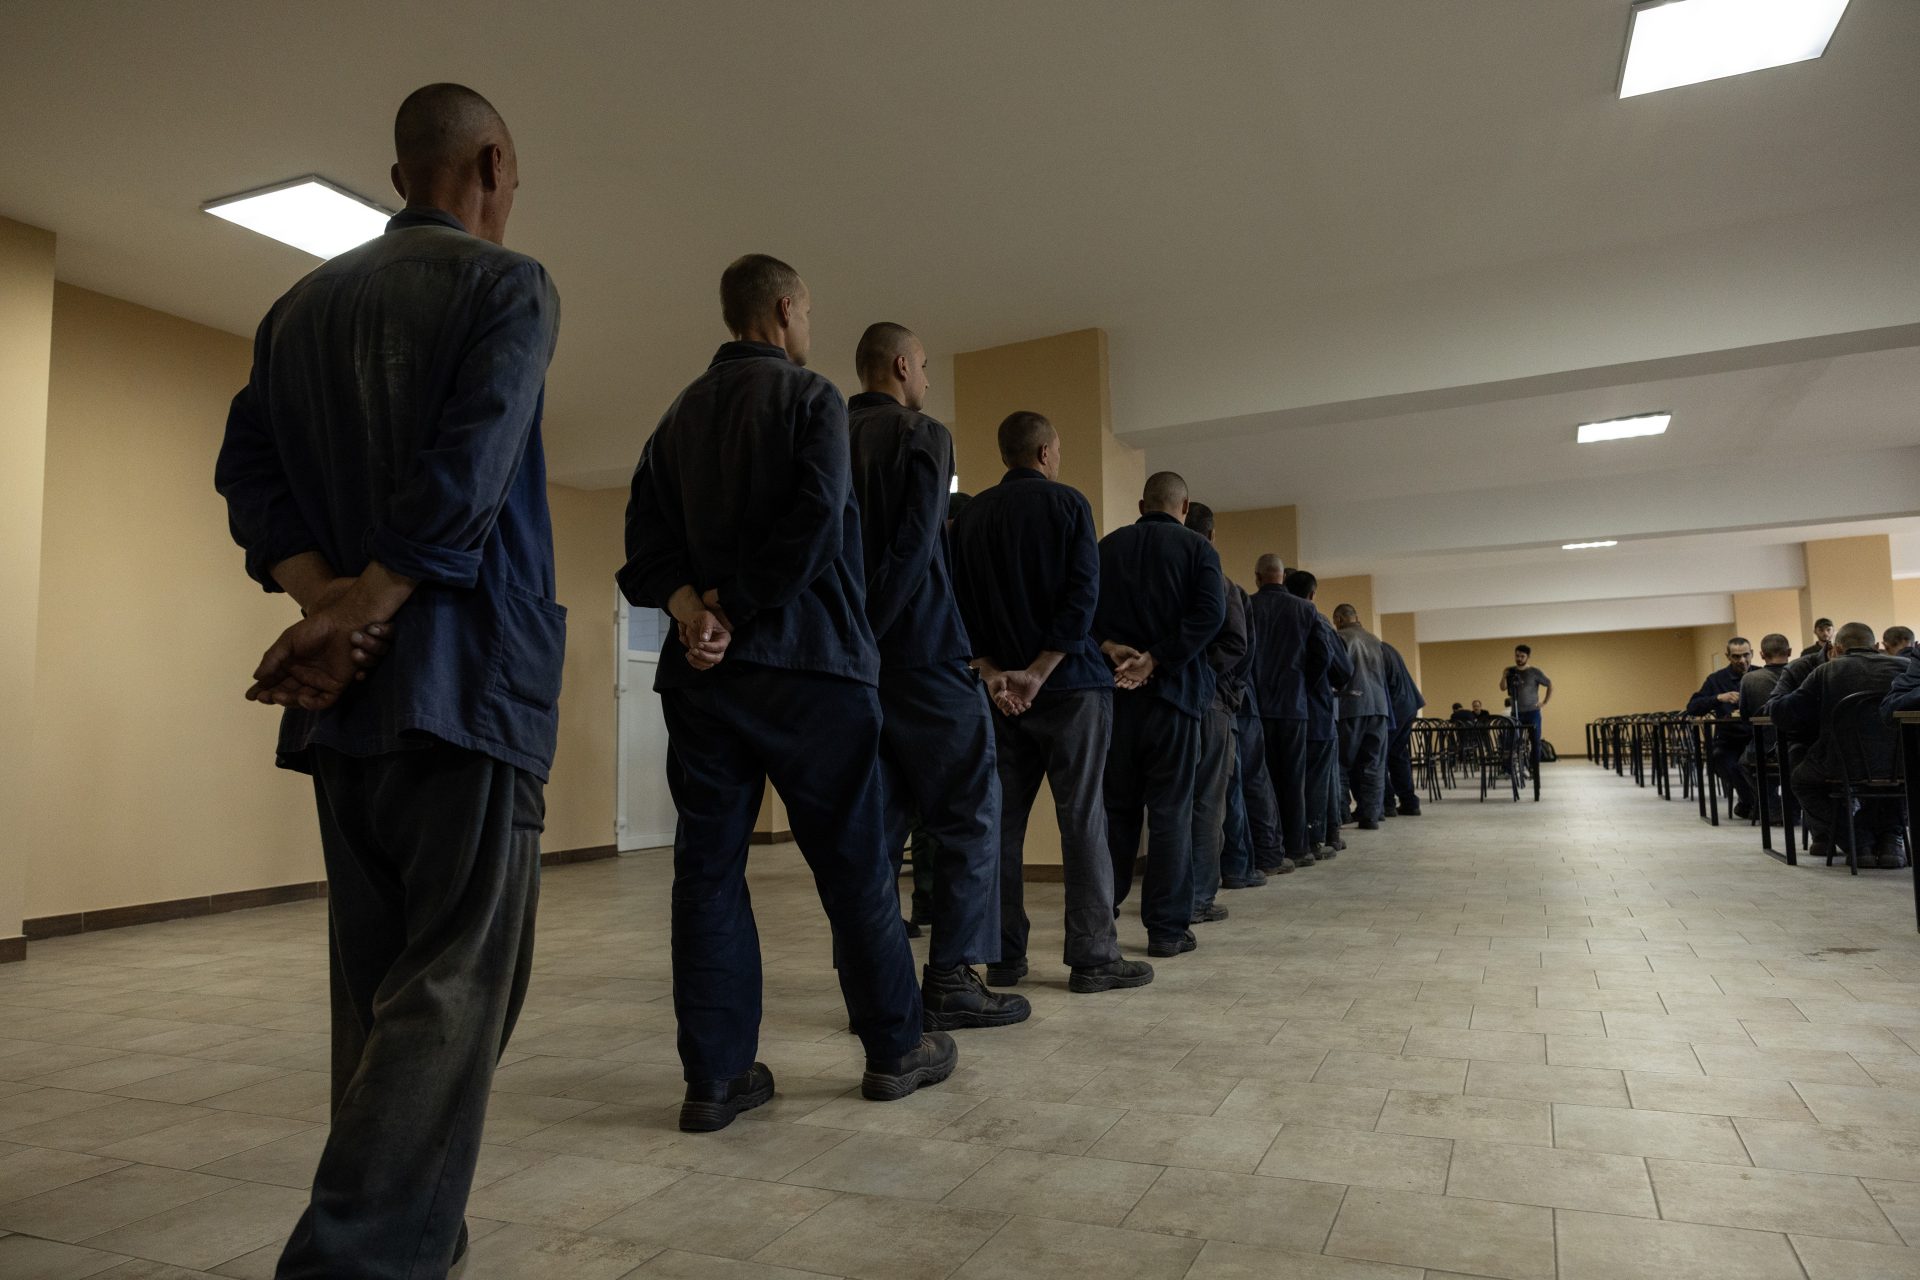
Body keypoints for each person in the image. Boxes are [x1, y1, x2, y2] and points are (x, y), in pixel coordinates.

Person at [215, 83, 557, 1276]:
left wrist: (323, 602)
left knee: (376, 995)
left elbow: (245, 472)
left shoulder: (296, 306)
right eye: (512, 179)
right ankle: (354, 1259)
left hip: (345, 703)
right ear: (490, 162)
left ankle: (420, 1231)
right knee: (459, 989)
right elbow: (474, 460)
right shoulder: (507, 286)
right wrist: (363, 600)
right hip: (468, 688)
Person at [622, 254, 955, 1132]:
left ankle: (718, 1078)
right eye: (807, 311)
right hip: (814, 670)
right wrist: (734, 604)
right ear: (782, 310)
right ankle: (896, 1048)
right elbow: (812, 521)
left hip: (701, 681)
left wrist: (694, 609)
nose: (811, 328)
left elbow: (642, 549)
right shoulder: (812, 402)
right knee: (853, 867)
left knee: (706, 873)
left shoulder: (673, 417)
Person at [846, 323, 1027, 1030]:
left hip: (852, 668)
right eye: (922, 365)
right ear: (898, 365)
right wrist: (876, 631)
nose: (924, 376)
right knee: (969, 811)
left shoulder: (822, 429)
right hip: (918, 652)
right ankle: (953, 979)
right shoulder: (921, 433)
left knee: (874, 828)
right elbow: (916, 547)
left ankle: (877, 993)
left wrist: (848, 644)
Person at [949, 411, 1153, 993]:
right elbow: (1082, 597)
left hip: (1001, 699)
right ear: (1044, 452)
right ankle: (1093, 959)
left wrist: (993, 672)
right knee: (1083, 818)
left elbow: (957, 606)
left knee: (1001, 827)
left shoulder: (970, 519)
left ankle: (1004, 957)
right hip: (1070, 689)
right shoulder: (1069, 506)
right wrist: (1039, 671)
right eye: (1057, 450)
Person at [1095, 472, 1226, 957]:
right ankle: (1167, 931)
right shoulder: (1198, 551)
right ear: (1185, 506)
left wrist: (1111, 648)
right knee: (1171, 812)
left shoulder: (1108, 548)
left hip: (1116, 698)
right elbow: (1210, 615)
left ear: (1140, 503)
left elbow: (1083, 611)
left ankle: (1098, 922)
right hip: (1176, 698)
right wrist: (1158, 658)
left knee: (1116, 813)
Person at [1774, 622, 1908, 867]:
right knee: (1901, 779)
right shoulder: (1906, 668)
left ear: (1836, 649)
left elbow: (1783, 713)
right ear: (1877, 646)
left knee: (1801, 781)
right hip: (1901, 762)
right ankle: (1891, 840)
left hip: (1841, 764)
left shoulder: (1827, 671)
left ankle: (1857, 840)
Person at [1250, 559, 1345, 868]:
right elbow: (1322, 654)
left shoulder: (1249, 606)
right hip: (1294, 706)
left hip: (1257, 706)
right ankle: (1297, 847)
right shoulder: (1306, 611)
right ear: (1282, 576)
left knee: (1262, 780)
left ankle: (1268, 846)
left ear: (1257, 577)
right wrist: (1306, 683)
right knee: (1293, 780)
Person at [1181, 502, 1248, 921]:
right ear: (1212, 535)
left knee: (1171, 802)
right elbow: (1239, 648)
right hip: (1210, 704)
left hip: (1161, 700)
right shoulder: (1222, 584)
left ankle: (1173, 896)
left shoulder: (1160, 576)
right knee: (1207, 802)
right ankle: (1198, 898)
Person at [1286, 572, 1354, 855]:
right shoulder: (1318, 620)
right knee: (1321, 777)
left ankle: (1295, 841)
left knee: (1289, 778)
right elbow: (1342, 669)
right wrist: (1317, 684)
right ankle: (1321, 838)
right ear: (1312, 595)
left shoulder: (1265, 615)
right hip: (1317, 711)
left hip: (1279, 712)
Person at [1685, 636, 1757, 819]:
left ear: (1753, 654)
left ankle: (1755, 803)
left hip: (1757, 738)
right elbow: (1693, 707)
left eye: (1746, 655)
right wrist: (1718, 698)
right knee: (1721, 760)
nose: (1742, 661)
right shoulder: (1716, 680)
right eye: (1736, 657)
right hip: (1729, 741)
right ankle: (1754, 802)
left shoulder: (1761, 675)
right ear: (1728, 656)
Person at [1333, 604, 1391, 829]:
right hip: (1378, 707)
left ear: (1338, 618)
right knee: (1374, 764)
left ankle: (1341, 813)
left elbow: (1337, 671)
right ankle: (1371, 816)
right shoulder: (1375, 640)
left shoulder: (1339, 637)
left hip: (1350, 705)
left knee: (1340, 763)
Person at [1739, 633, 1793, 822]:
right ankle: (1792, 806)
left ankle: (1773, 805)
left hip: (1766, 745)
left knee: (1745, 764)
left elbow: (1746, 717)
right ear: (1790, 652)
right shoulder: (1803, 675)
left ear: (1761, 655)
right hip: (1799, 743)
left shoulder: (1750, 679)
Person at [1381, 638, 1425, 817]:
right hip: (1409, 704)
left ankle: (1388, 803)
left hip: (1396, 707)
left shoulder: (1374, 650)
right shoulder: (1386, 646)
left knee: (1380, 756)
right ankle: (1409, 802)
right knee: (1398, 755)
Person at [1498, 645, 1552, 770]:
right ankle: (1510, 769)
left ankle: (1534, 768)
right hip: (1516, 711)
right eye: (1517, 656)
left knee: (1535, 740)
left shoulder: (1534, 671)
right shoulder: (1509, 670)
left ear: (1528, 657)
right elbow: (1502, 687)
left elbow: (1550, 684)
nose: (1519, 659)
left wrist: (1544, 702)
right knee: (1512, 740)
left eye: (1522, 656)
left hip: (1533, 712)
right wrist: (1504, 676)